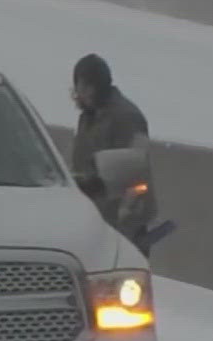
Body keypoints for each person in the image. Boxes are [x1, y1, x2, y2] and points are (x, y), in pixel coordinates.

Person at [68, 53, 159, 254]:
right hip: (93, 220)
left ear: (94, 87)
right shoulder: (88, 118)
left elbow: (137, 169)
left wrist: (126, 215)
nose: (79, 94)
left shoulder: (127, 117)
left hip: (122, 227)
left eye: (83, 87)